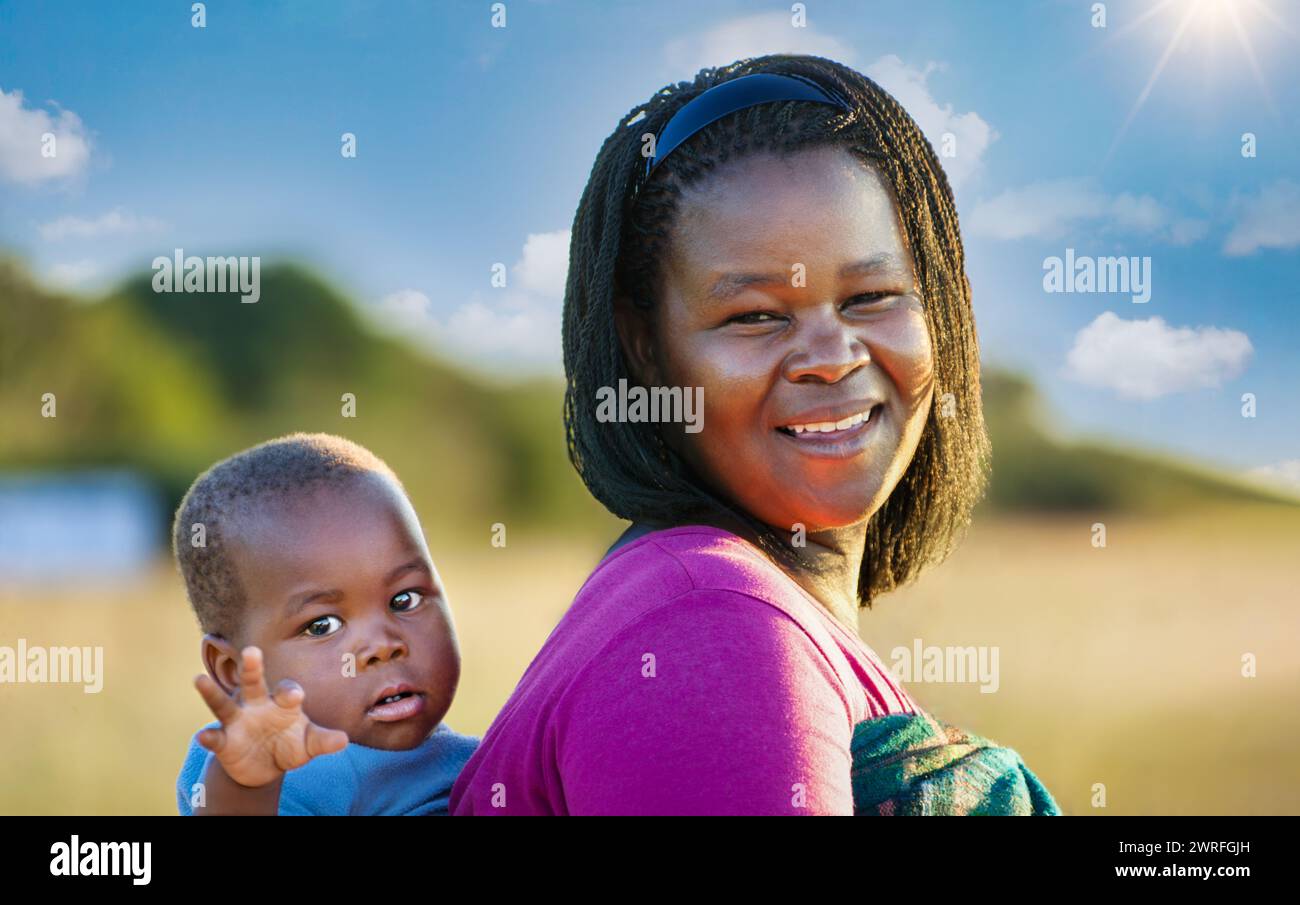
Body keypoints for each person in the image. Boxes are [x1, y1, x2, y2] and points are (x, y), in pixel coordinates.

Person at [451, 55, 1059, 815]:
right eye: (755, 316)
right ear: (645, 346)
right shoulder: (710, 628)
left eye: (872, 297)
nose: (833, 357)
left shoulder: (722, 604)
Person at [172, 432, 477, 815]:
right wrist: (245, 785)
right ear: (234, 671)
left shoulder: (474, 760)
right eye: (322, 626)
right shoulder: (280, 770)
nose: (383, 646)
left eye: (405, 599)